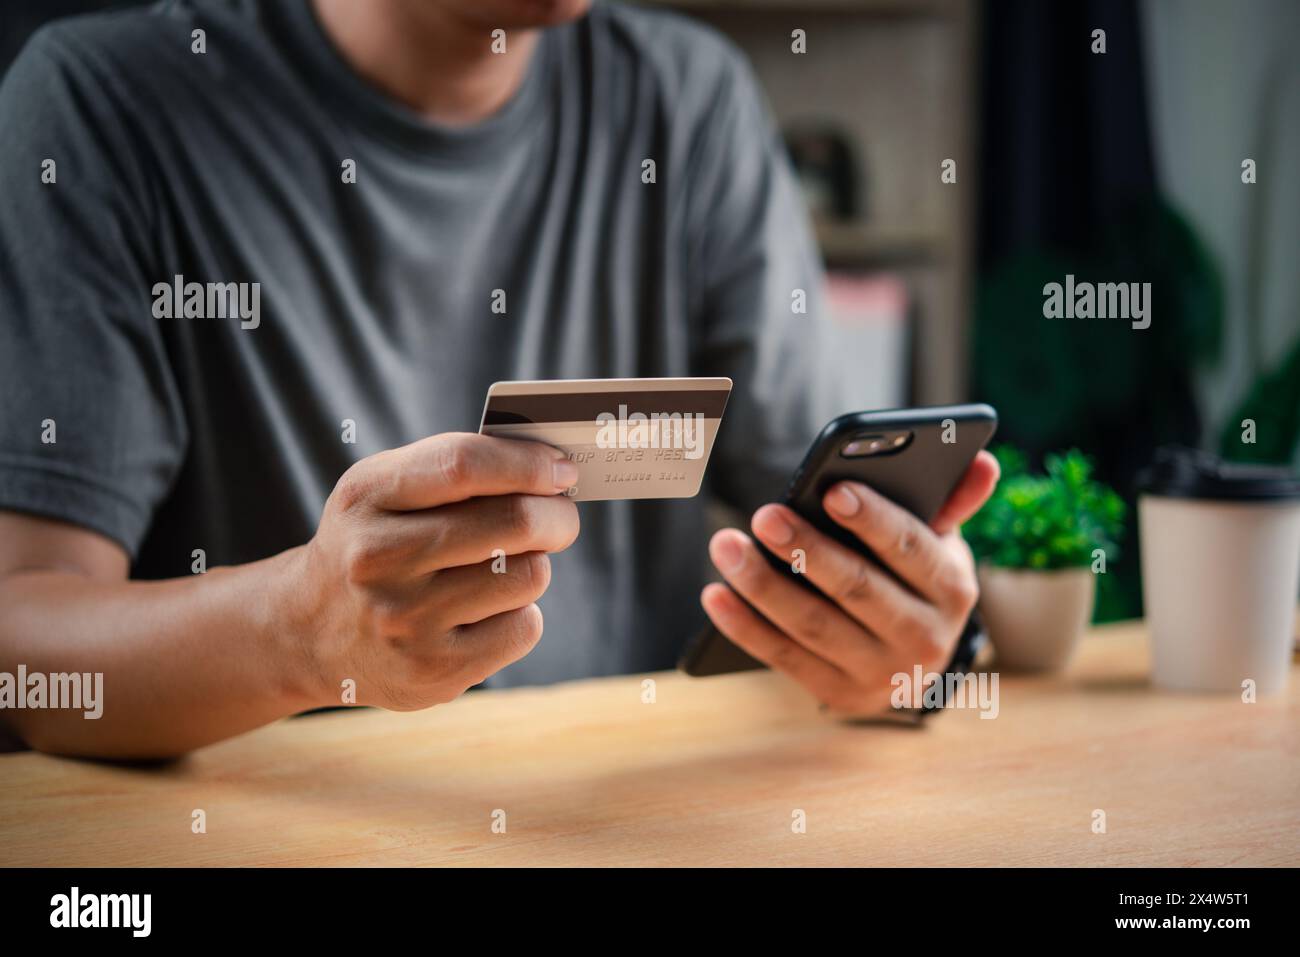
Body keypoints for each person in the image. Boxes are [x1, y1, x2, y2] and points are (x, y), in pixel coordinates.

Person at [0, 0, 997, 758]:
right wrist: (296, 635)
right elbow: (22, 651)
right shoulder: (100, 104)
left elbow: (832, 534)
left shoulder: (691, 102)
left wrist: (903, 642)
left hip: (625, 821)